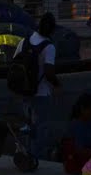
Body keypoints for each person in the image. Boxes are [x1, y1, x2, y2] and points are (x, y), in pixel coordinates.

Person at [12, 14, 60, 157]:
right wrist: (58, 85)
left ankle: (24, 155)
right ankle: (37, 158)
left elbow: (15, 63)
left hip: (24, 92)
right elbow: (49, 71)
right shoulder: (49, 46)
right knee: (41, 127)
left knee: (27, 126)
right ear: (52, 30)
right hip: (41, 93)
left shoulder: (24, 42)